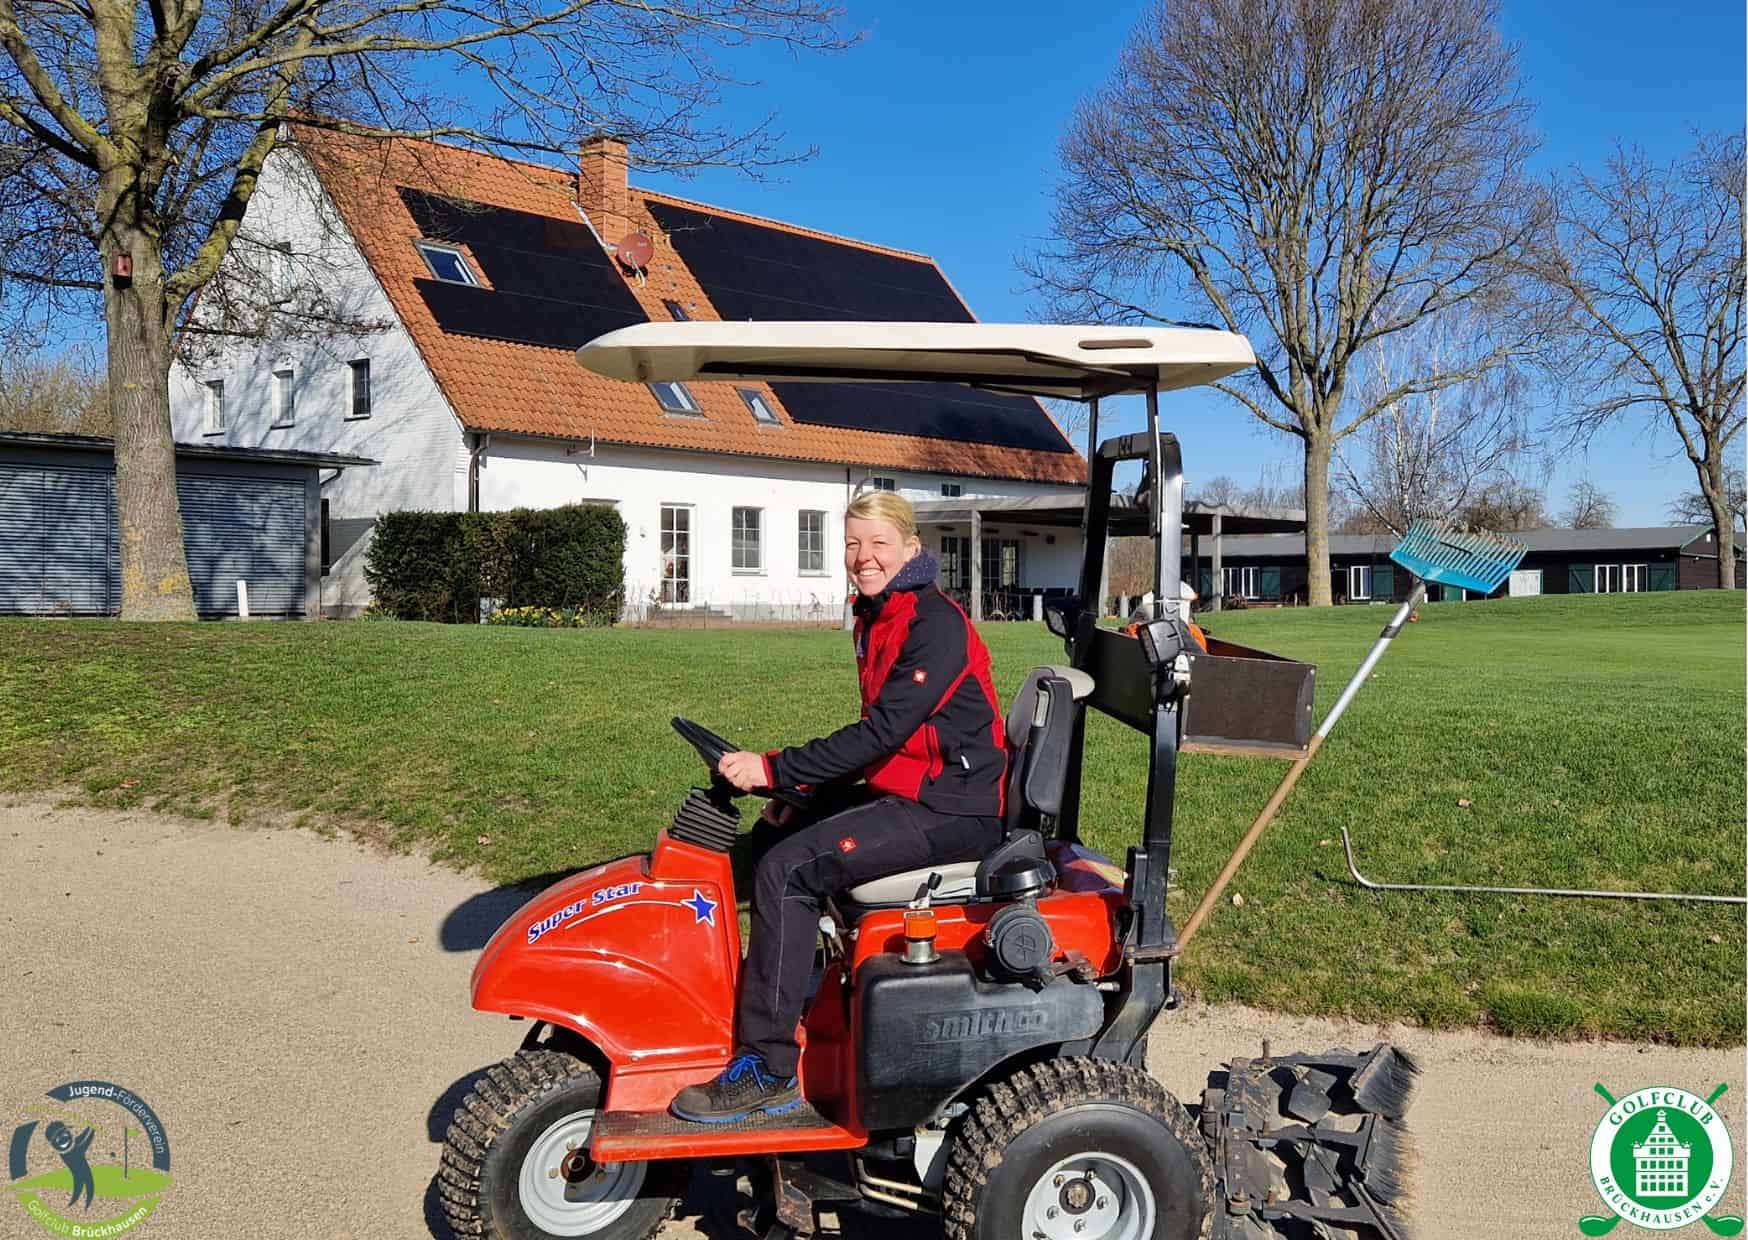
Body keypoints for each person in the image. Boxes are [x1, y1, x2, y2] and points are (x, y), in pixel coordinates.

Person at [669, 491, 1009, 1123]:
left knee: (788, 871)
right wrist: (803, 794)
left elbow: (882, 733)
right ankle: (790, 998)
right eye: (853, 543)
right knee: (774, 839)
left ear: (911, 548)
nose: (863, 556)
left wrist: (774, 769)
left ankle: (767, 1067)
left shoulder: (934, 625)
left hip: (953, 807)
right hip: (911, 788)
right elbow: (886, 742)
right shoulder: (876, 615)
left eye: (879, 543)